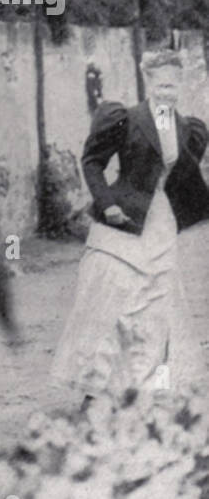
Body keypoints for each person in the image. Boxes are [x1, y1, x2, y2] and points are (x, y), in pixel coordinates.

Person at [51, 48, 209, 404]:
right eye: (161, 84)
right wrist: (106, 204)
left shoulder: (189, 129)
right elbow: (92, 162)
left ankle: (142, 388)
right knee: (112, 301)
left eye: (173, 85)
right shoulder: (124, 118)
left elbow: (182, 174)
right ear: (149, 82)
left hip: (162, 222)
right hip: (123, 222)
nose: (168, 92)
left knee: (156, 306)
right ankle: (95, 390)